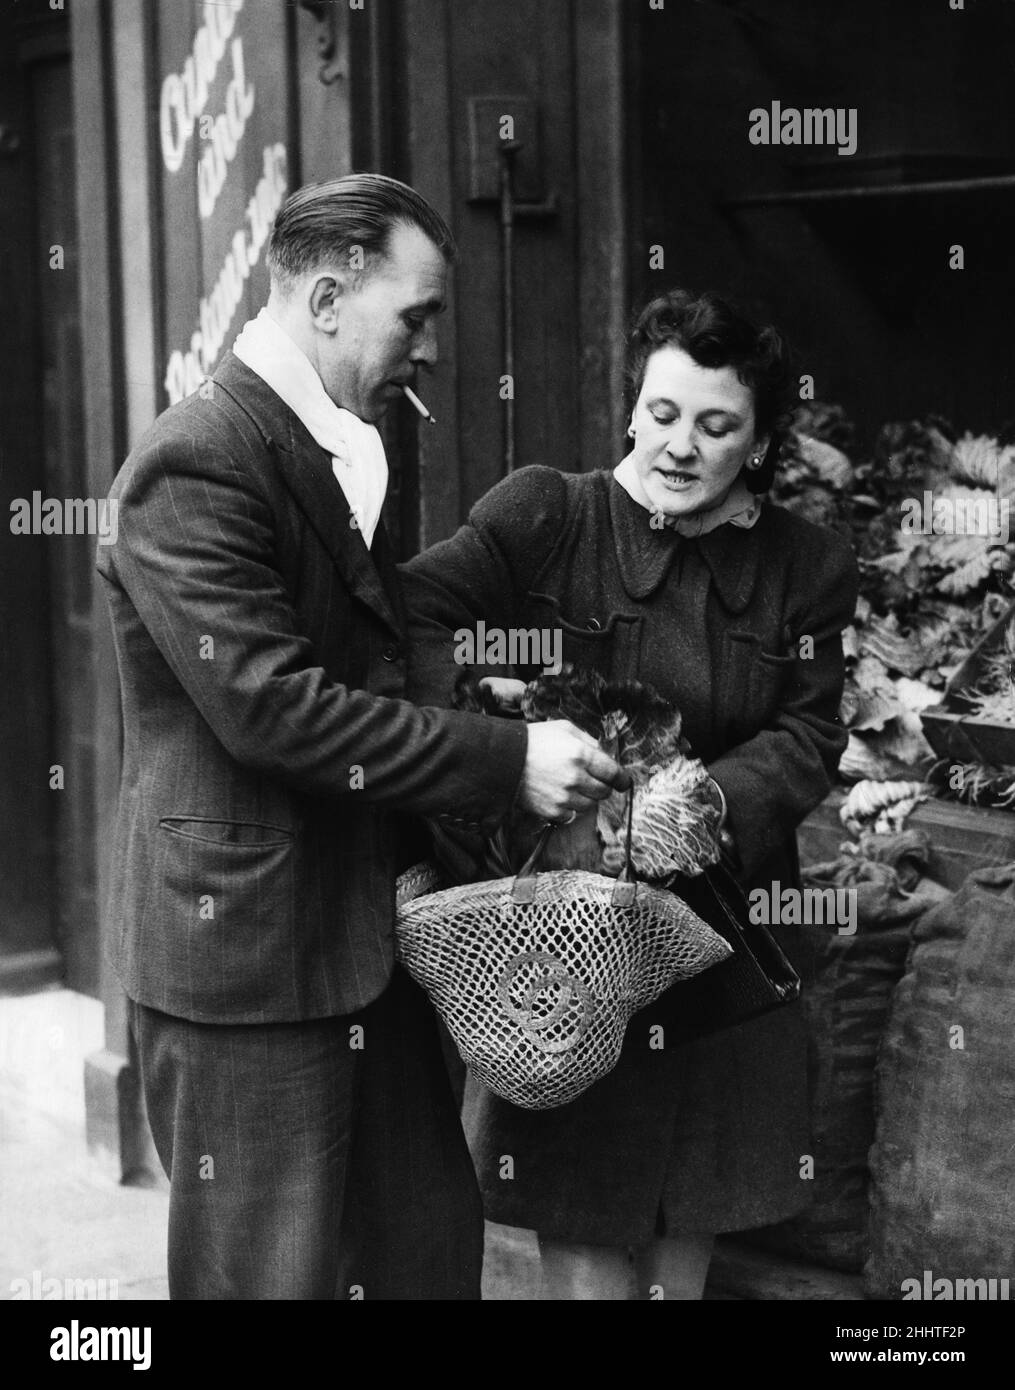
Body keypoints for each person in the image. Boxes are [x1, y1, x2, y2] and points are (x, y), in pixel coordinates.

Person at [97, 174, 626, 1301]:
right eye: (417, 316)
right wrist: (507, 762)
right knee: (267, 1278)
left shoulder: (335, 440)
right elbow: (274, 708)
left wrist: (500, 717)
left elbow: (374, 660)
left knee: (423, 1256)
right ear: (330, 296)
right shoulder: (197, 459)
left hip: (364, 937)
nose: (429, 349)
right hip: (243, 958)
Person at [401, 288, 859, 1300]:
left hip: (724, 949)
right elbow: (413, 617)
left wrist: (694, 806)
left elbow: (810, 731)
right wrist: (497, 740)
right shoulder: (545, 516)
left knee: (679, 1254)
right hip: (568, 957)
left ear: (759, 440)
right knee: (583, 1238)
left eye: (714, 424)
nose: (681, 445)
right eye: (661, 412)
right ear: (630, 409)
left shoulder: (809, 566)